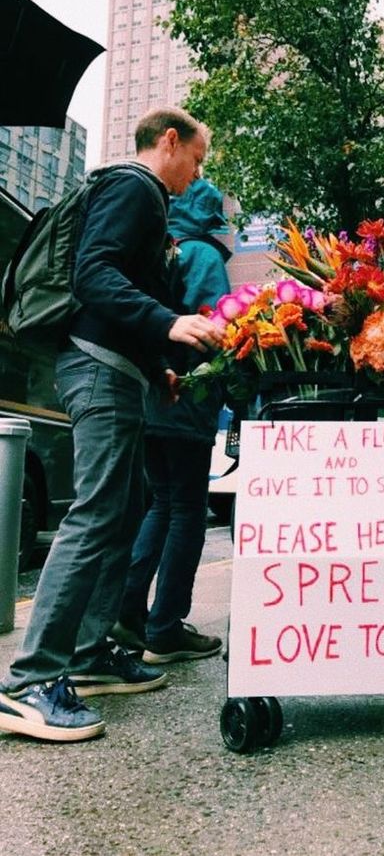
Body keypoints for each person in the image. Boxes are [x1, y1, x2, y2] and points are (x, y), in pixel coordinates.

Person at [0, 108, 225, 743]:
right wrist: (170, 324)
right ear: (170, 142)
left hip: (121, 371)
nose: (197, 174)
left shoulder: (145, 198)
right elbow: (94, 275)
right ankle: (29, 681)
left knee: (127, 509)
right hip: (97, 371)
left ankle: (88, 654)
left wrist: (158, 369)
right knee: (98, 513)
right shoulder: (135, 187)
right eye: (197, 160)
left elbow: (120, 286)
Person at [112, 179, 232, 663]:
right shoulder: (202, 255)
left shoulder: (162, 248)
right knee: (186, 509)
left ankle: (129, 612)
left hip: (150, 394)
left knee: (159, 504)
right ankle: (165, 627)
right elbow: (217, 326)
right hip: (187, 395)